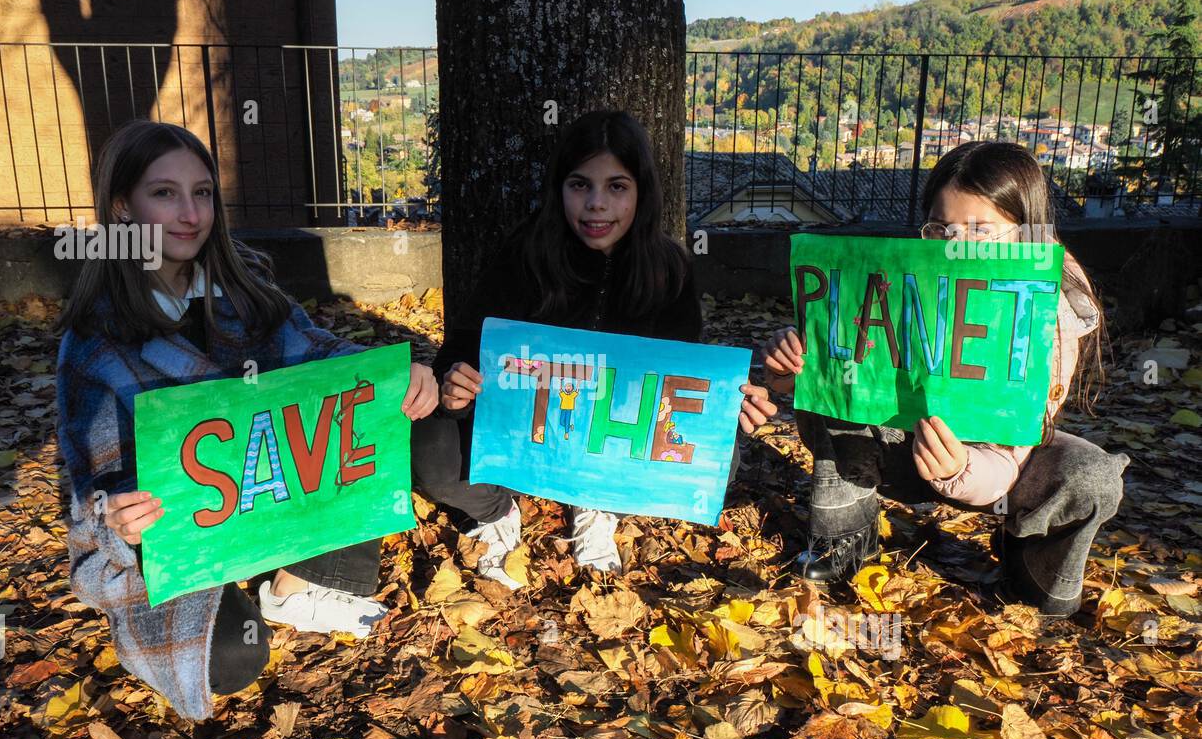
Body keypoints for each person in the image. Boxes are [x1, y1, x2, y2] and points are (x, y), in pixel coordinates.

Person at [55, 120, 438, 719]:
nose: (190, 213)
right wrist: (119, 524)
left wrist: (396, 372)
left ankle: (292, 587)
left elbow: (317, 354)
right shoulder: (96, 342)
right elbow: (90, 501)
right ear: (122, 207)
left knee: (385, 412)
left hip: (268, 499)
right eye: (165, 193)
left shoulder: (241, 285)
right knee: (231, 659)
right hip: (180, 535)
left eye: (202, 192)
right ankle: (235, 595)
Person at [762, 140, 1128, 618]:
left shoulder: (1050, 311)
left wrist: (959, 472)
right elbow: (834, 377)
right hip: (901, 443)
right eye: (941, 229)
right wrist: (790, 376)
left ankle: (1035, 568)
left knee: (1091, 476)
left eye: (981, 232)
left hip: (1000, 468)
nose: (957, 249)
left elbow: (1010, 453)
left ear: (1027, 233)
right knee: (838, 386)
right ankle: (846, 539)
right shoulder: (896, 283)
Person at [411, 109, 774, 587]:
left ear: (641, 193)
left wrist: (729, 409)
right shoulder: (523, 253)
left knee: (719, 458)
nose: (597, 205)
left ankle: (600, 503)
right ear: (559, 189)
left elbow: (683, 372)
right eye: (580, 185)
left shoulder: (669, 268)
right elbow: (461, 349)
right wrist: (455, 385)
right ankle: (499, 510)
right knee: (428, 447)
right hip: (523, 434)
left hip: (612, 441)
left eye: (617, 187)